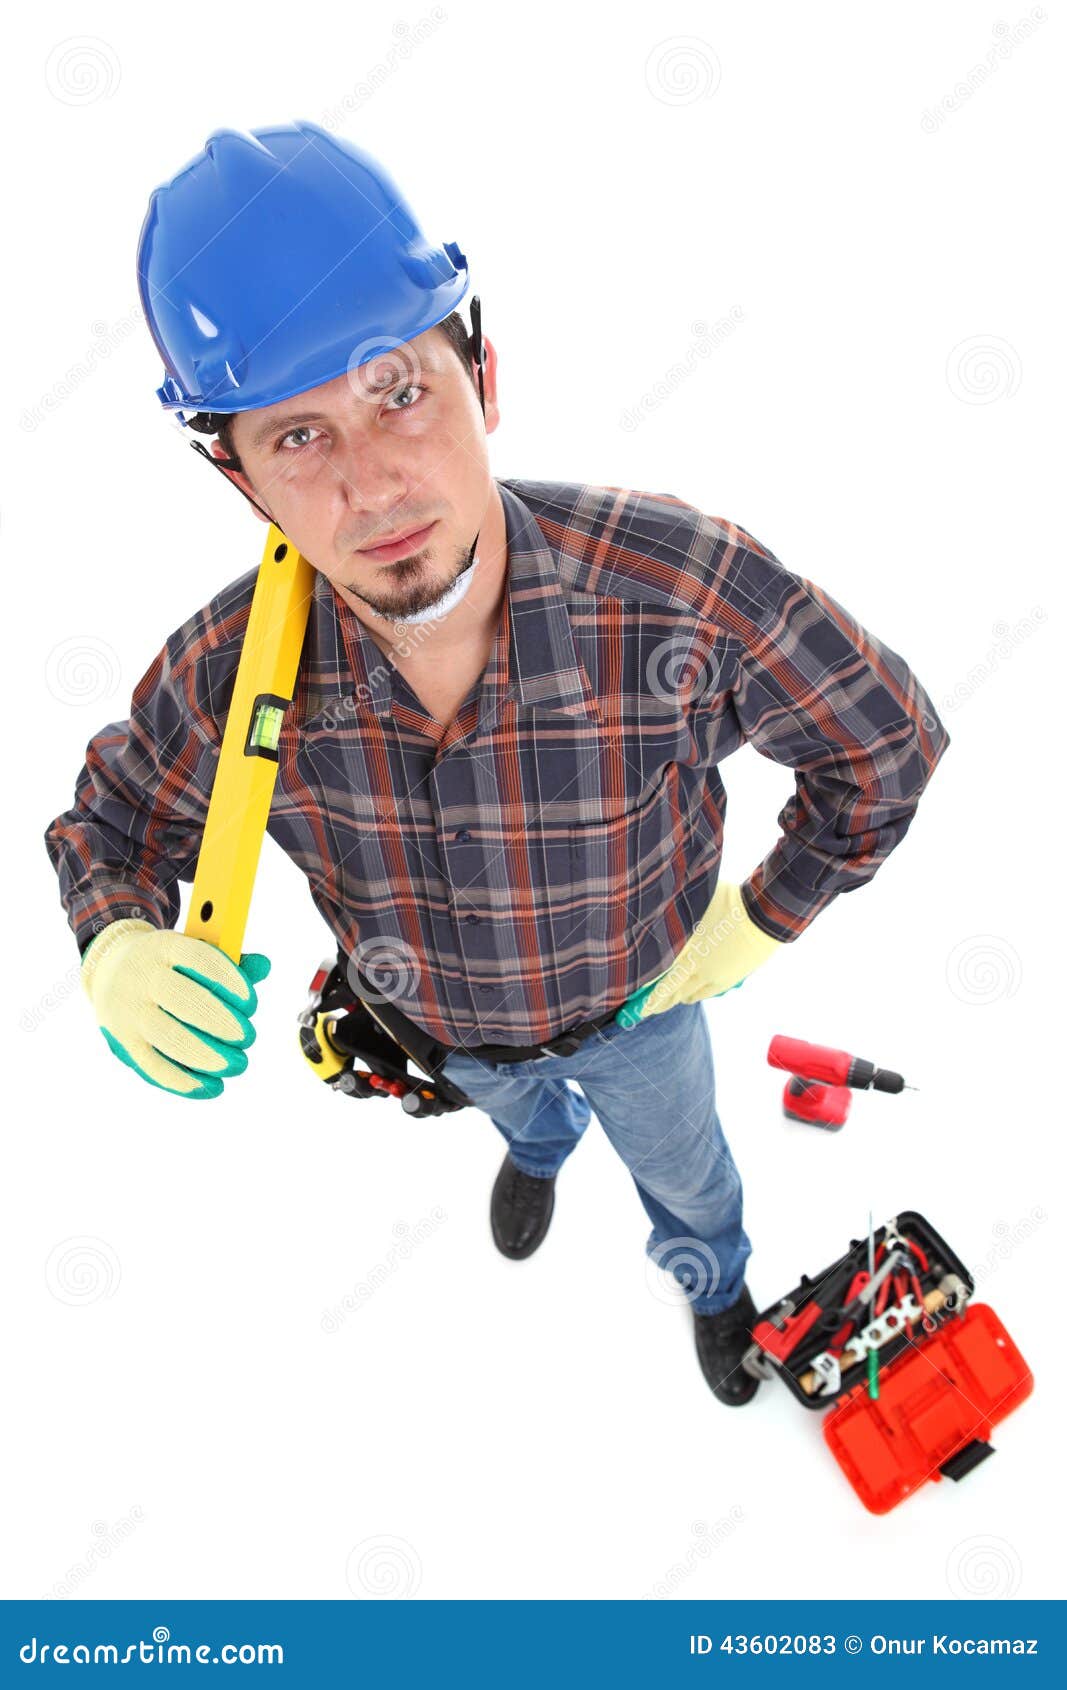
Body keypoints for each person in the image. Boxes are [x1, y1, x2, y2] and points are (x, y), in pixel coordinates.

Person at [44, 121, 950, 1408]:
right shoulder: (221, 671)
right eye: (296, 439)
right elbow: (109, 825)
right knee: (512, 1107)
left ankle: (710, 1276)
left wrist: (760, 917)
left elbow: (888, 743)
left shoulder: (677, 590)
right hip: (441, 1033)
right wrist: (112, 942)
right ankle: (535, 1143)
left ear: (482, 372)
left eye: (395, 389)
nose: (370, 482)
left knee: (686, 1168)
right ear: (239, 479)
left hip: (644, 1016)